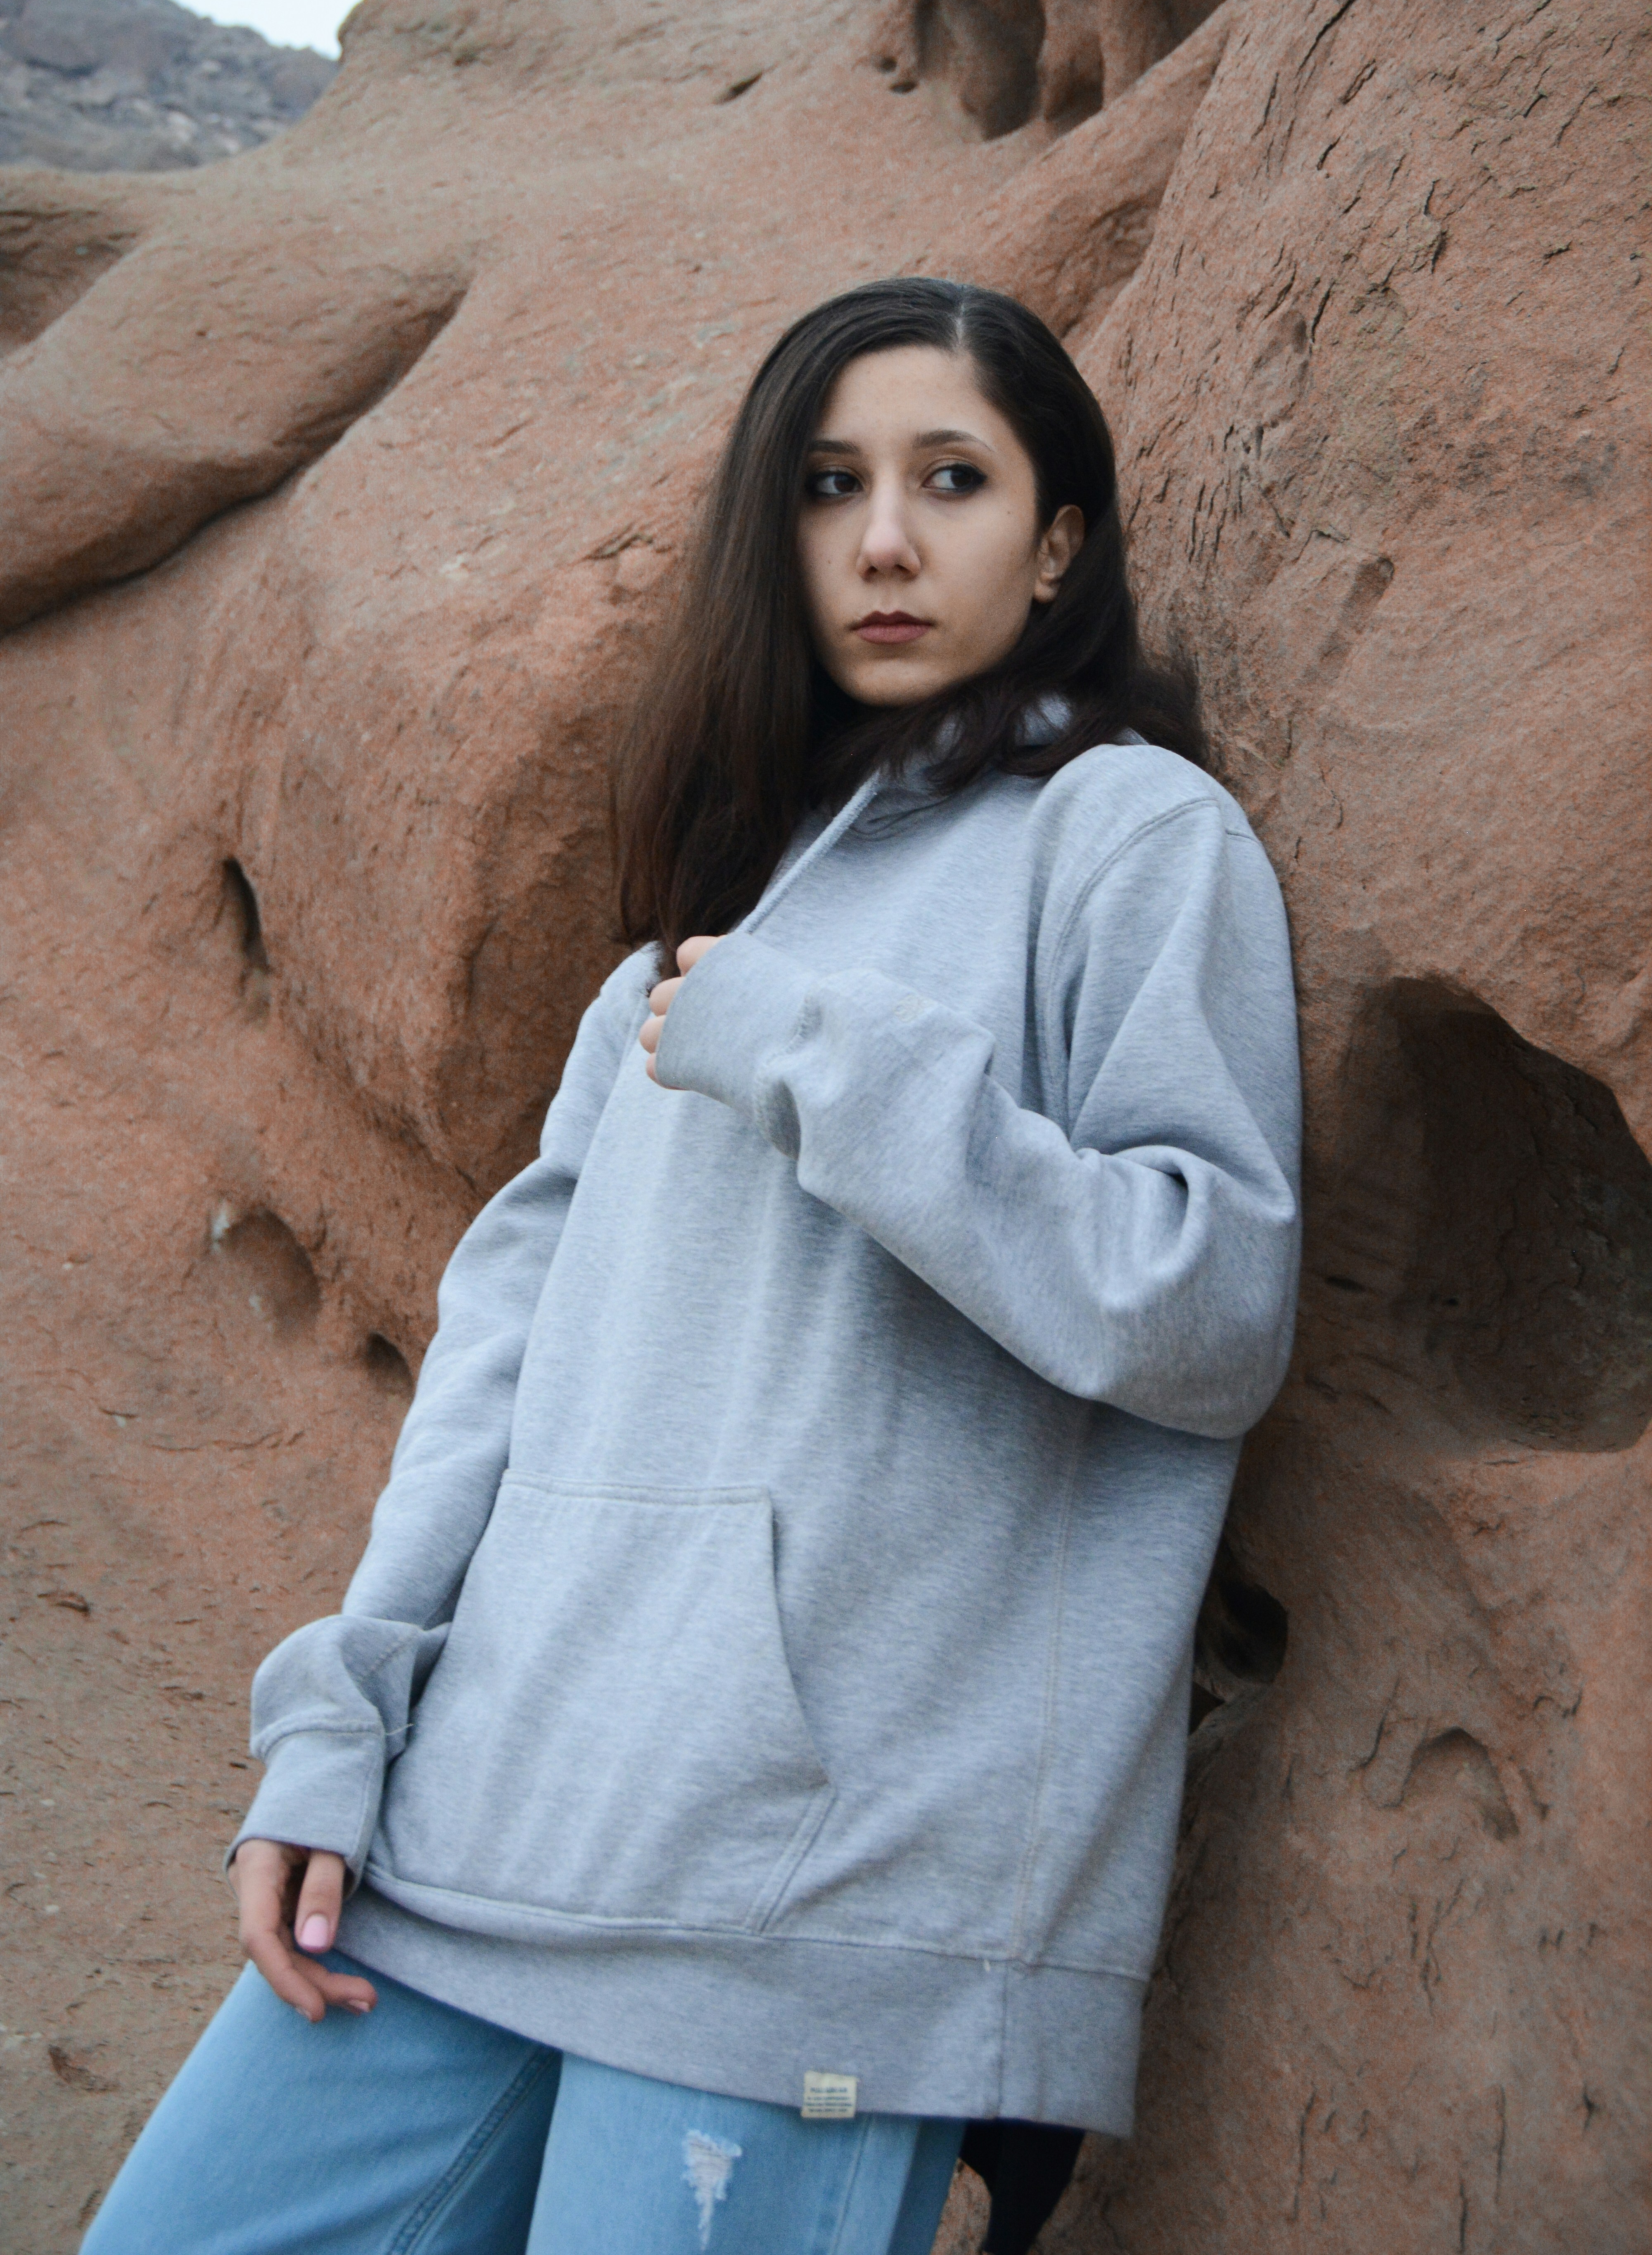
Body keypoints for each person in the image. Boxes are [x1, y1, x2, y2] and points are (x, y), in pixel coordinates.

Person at [84, 278, 1301, 2255]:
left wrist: (823, 1054)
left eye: (953, 480)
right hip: (468, 1845)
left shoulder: (1132, 841)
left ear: (1056, 540)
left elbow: (1208, 1303)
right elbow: (499, 1363)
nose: (886, 538)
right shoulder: (691, 948)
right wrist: (340, 1722)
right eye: (830, 485)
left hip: (813, 1920)